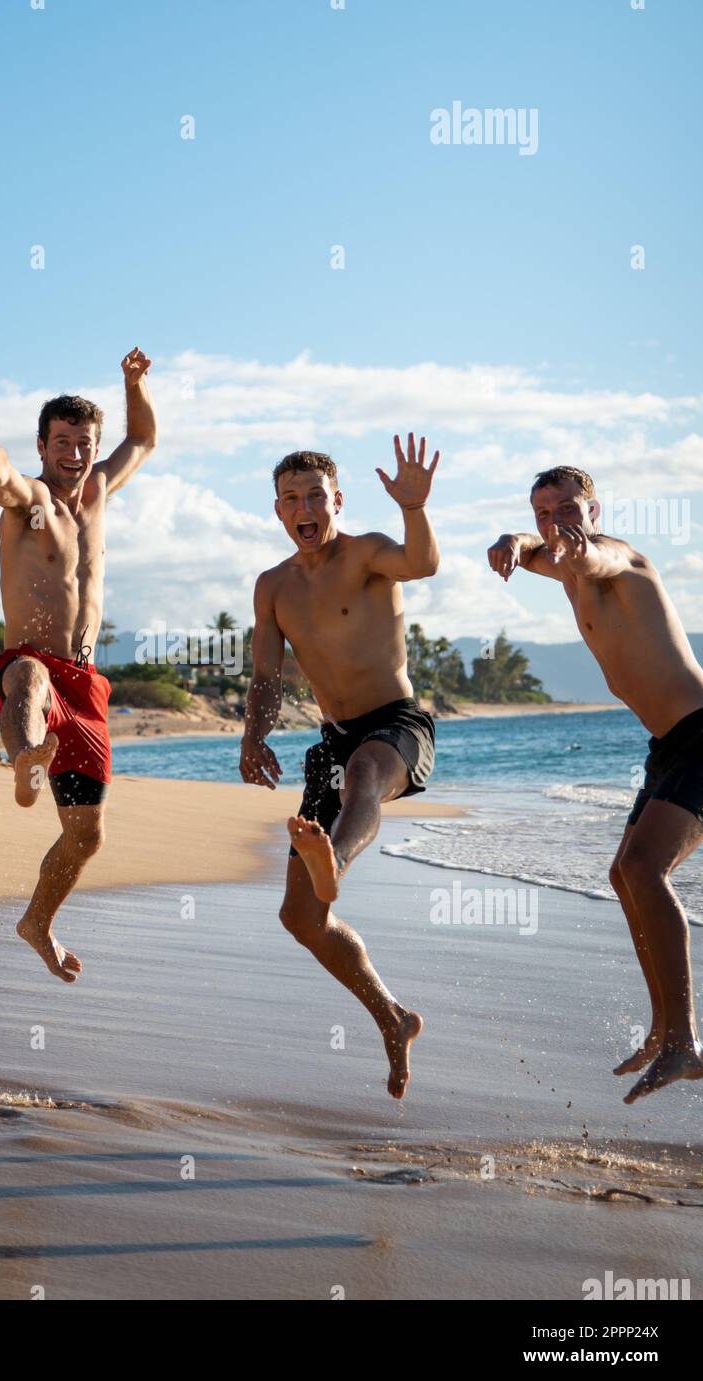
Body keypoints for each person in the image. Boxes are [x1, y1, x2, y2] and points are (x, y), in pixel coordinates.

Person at [488, 465, 703, 1103]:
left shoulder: (619, 559)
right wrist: (514, 539)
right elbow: (542, 552)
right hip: (669, 746)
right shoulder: (560, 565)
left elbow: (593, 555)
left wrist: (567, 543)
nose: (555, 521)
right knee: (624, 874)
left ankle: (685, 1041)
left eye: (567, 508)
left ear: (595, 509)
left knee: (645, 870)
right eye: (542, 512)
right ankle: (666, 1027)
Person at [0, 348, 157, 982]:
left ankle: (37, 922)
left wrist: (133, 384)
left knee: (86, 837)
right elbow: (1, 476)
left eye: (84, 442)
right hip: (30, 661)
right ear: (43, 444)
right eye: (62, 440)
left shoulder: (97, 493)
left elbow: (143, 438)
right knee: (30, 682)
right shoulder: (30, 500)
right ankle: (24, 762)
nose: (75, 451)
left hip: (86, 685)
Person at [240, 434, 440, 1098]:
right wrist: (252, 737)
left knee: (362, 777)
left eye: (315, 496)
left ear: (336, 501)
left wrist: (413, 507)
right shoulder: (272, 586)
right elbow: (265, 677)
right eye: (291, 499)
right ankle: (392, 1017)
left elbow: (422, 561)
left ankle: (335, 864)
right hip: (334, 736)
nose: (304, 508)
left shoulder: (368, 552)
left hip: (395, 724)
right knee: (300, 919)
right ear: (277, 510)